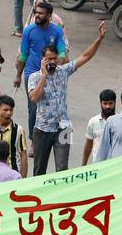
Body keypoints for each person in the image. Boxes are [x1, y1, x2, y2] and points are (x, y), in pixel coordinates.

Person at [27, 23, 106, 175]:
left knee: (62, 169)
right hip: (42, 129)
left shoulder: (63, 71)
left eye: (54, 59)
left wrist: (99, 39)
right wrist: (44, 75)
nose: (51, 62)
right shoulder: (35, 77)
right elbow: (34, 98)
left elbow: (85, 56)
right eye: (48, 59)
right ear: (42, 59)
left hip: (63, 128)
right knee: (39, 170)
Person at [83, 89, 117, 165]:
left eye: (110, 103)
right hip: (98, 164)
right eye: (105, 104)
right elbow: (88, 144)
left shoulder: (120, 121)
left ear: (115, 103)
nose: (108, 106)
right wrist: (83, 165)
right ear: (100, 103)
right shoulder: (93, 121)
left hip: (115, 164)